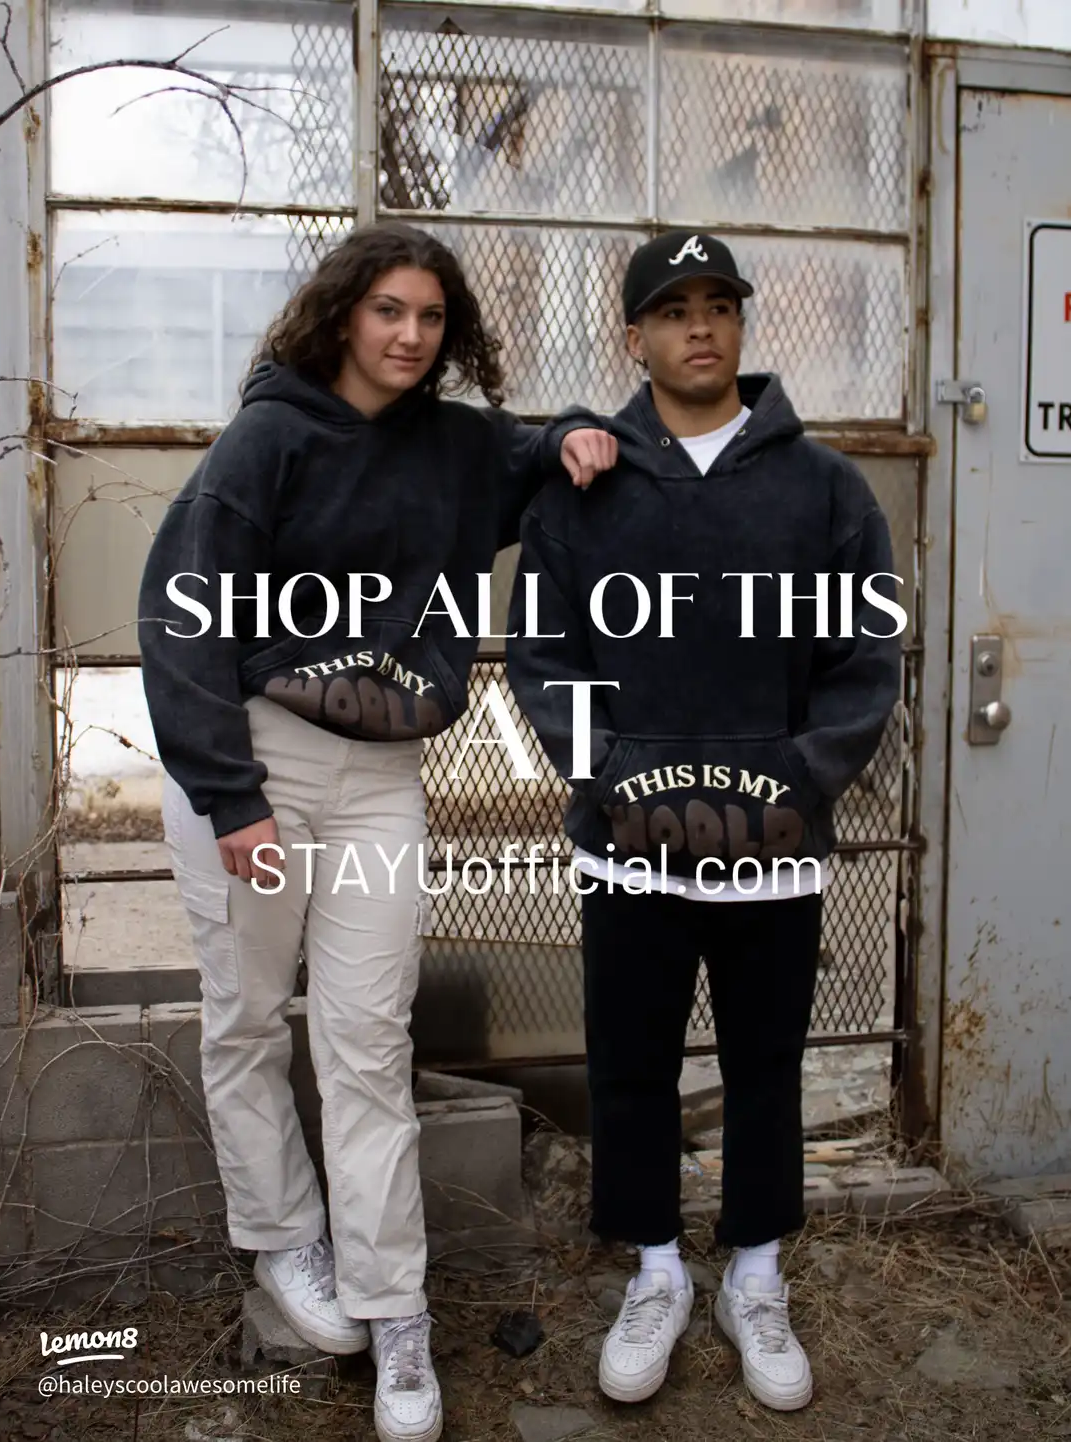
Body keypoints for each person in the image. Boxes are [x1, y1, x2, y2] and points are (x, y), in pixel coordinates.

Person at [137, 220, 615, 1442]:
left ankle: (395, 1303)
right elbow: (182, 614)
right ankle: (282, 1233)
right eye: (388, 310)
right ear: (343, 313)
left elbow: (539, 444)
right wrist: (230, 795)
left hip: (385, 773)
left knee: (366, 1033)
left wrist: (576, 433)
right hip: (257, 754)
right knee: (249, 1015)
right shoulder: (269, 437)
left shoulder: (454, 444)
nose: (410, 335)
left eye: (431, 316)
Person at [506, 231, 901, 1412]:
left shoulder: (825, 489)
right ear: (634, 337)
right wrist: (619, 781)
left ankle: (756, 1275)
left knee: (764, 1065)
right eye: (674, 309)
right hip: (631, 848)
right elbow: (545, 659)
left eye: (719, 305)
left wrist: (792, 784)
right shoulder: (585, 488)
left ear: (740, 325)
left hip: (770, 853)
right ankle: (659, 1271)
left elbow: (863, 661)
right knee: (629, 1063)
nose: (699, 326)